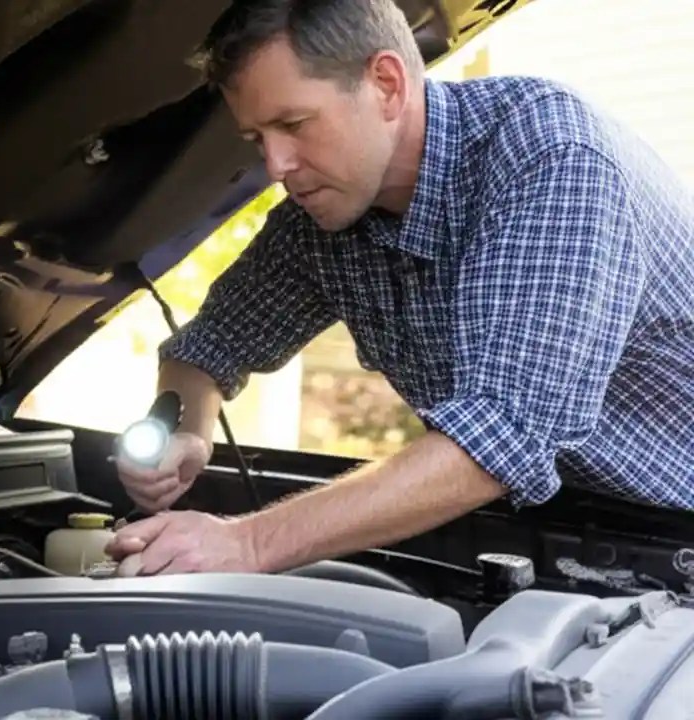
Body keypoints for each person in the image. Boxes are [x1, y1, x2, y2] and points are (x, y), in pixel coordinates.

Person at [105, 0, 694, 578]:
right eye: (258, 138)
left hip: (674, 540)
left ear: (386, 84)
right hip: (533, 534)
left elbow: (502, 435)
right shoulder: (323, 216)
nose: (277, 165)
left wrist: (249, 544)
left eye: (293, 124)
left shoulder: (551, 161)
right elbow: (206, 350)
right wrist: (185, 432)